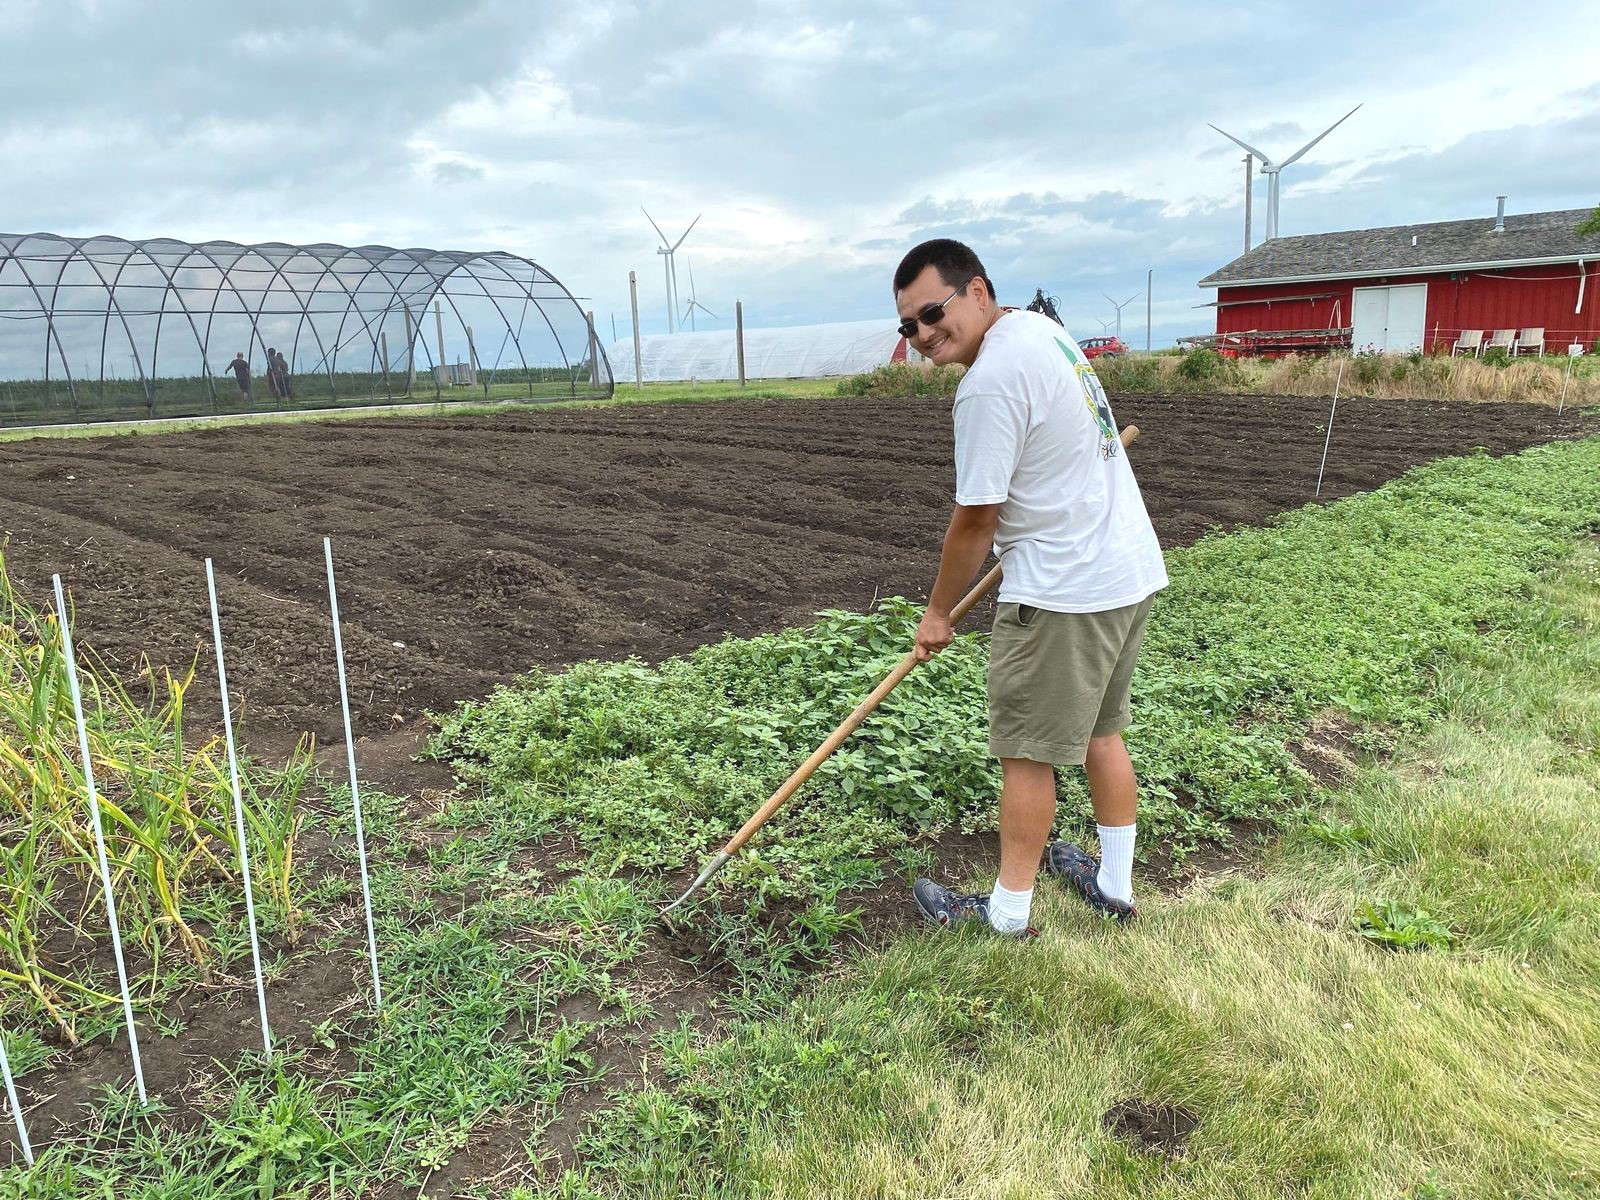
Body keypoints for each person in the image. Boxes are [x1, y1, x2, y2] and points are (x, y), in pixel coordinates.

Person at [894, 239, 1167, 936]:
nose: (924, 335)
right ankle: (1113, 887)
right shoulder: (1043, 331)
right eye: (908, 326)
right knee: (1103, 733)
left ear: (978, 291)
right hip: (1125, 572)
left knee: (1027, 754)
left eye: (933, 312)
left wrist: (935, 614)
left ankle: (1008, 915)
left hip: (1063, 592)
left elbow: (977, 518)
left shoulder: (987, 384)